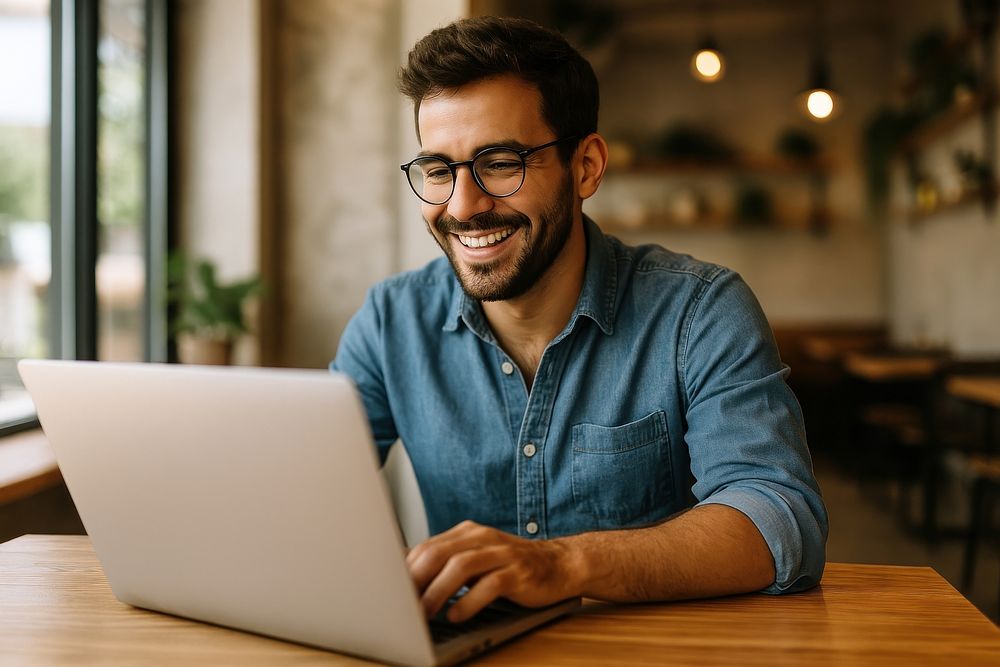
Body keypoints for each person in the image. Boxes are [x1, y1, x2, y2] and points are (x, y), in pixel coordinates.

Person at [332, 15, 827, 624]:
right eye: (439, 170)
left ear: (586, 166)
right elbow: (305, 490)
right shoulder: (390, 322)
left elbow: (778, 517)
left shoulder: (700, 310)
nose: (462, 206)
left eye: (501, 162)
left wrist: (564, 564)